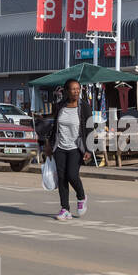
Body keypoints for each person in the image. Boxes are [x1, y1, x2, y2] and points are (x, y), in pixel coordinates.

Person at [47, 80, 92, 221]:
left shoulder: (84, 106)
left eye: (78, 89)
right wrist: (49, 144)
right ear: (66, 91)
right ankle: (65, 209)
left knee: (72, 175)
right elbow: (55, 127)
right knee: (62, 178)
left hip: (76, 147)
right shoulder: (60, 106)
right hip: (60, 147)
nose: (76, 91)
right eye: (73, 89)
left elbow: (90, 128)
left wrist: (89, 149)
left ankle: (81, 196)